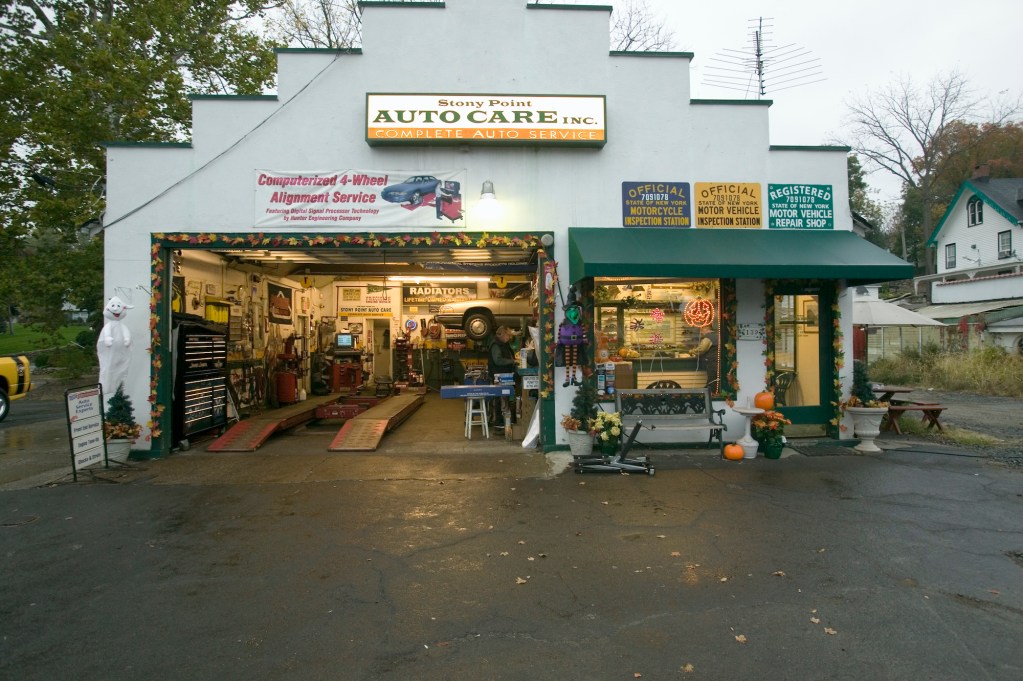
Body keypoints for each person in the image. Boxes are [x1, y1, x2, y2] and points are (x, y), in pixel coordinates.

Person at [487, 326, 518, 428]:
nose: (509, 337)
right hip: (499, 376)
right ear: (503, 334)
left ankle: (505, 420)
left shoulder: (503, 344)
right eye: (508, 335)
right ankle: (499, 422)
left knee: (504, 398)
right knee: (500, 398)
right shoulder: (496, 345)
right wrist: (512, 361)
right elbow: (498, 360)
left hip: (504, 375)